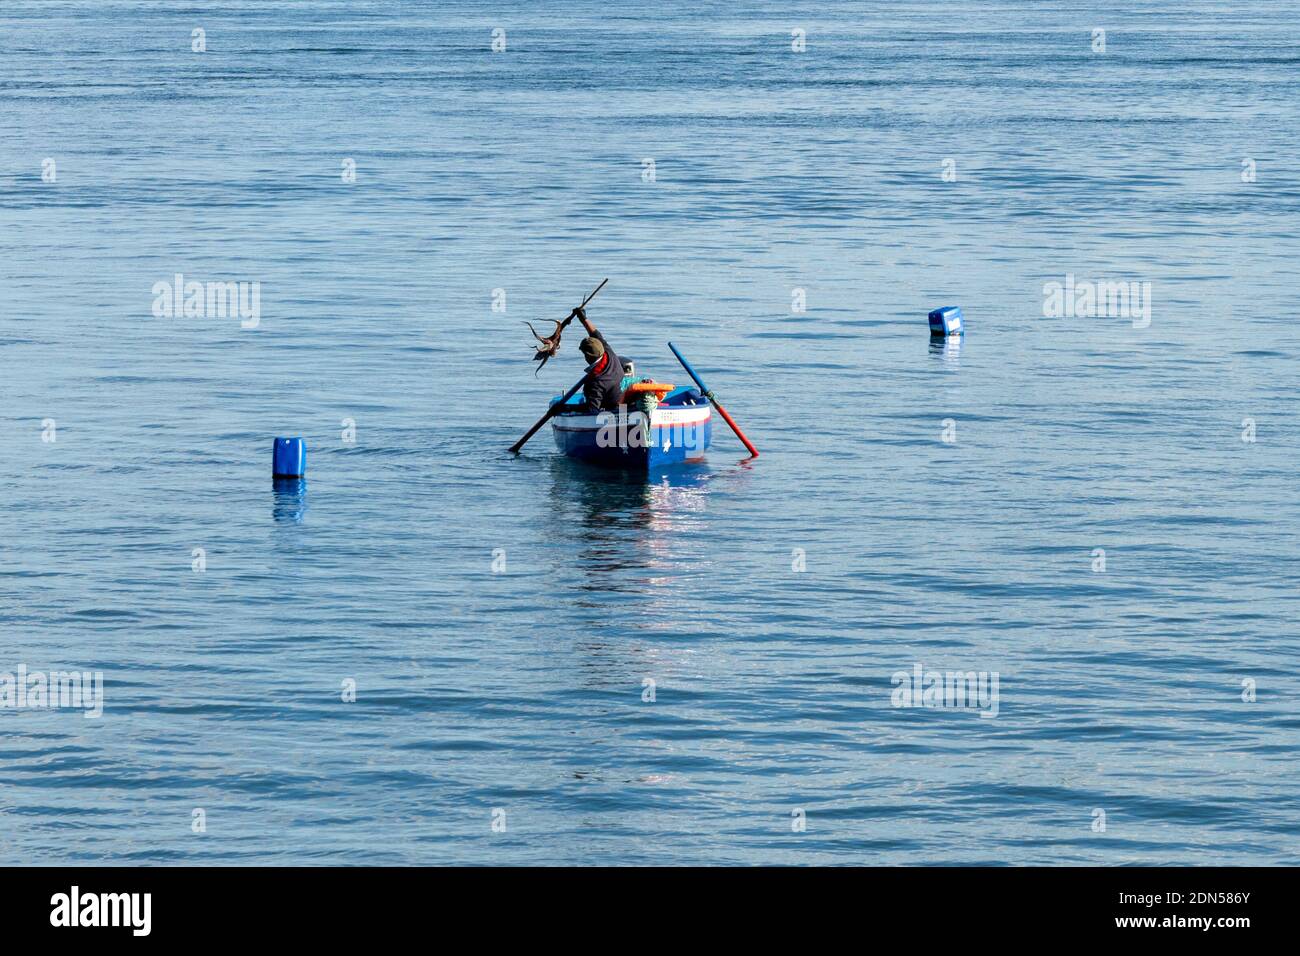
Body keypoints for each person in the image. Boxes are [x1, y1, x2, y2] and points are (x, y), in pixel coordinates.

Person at [570, 306, 625, 412]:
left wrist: (566, 408)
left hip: (612, 409)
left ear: (587, 356)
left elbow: (592, 409)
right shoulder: (608, 352)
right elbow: (594, 333)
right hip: (622, 397)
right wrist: (583, 319)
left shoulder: (596, 382)